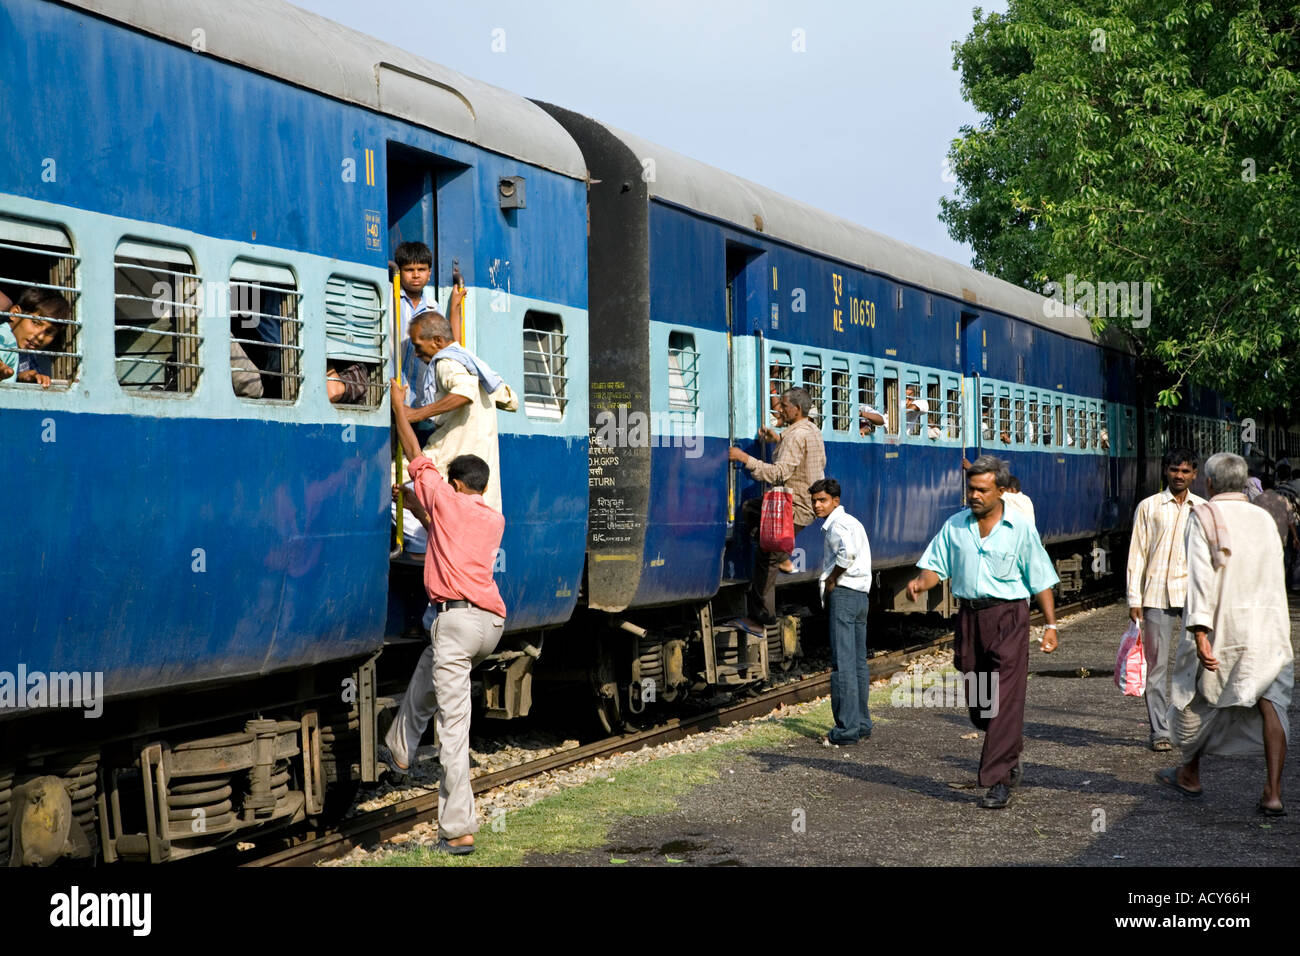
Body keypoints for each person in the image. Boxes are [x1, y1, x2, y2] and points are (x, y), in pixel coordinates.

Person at [382, 380, 506, 854]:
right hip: (489, 626)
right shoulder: (491, 518)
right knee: (430, 667)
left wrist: (400, 409)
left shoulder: (446, 496)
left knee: (454, 731)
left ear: (454, 484)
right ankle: (399, 744)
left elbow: (415, 454)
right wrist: (416, 505)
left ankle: (459, 830)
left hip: (455, 621)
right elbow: (448, 533)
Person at [906, 455, 1059, 809]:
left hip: (1009, 617)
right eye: (970, 489)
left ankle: (998, 780)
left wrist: (1050, 626)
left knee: (1006, 699)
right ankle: (1010, 751)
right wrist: (921, 583)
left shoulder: (1020, 527)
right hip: (970, 619)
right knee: (981, 704)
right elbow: (935, 566)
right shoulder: (955, 526)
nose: (973, 495)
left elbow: (1041, 577)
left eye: (981, 490)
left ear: (1001, 491)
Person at [1159, 453, 1293, 816]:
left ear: (1210, 483)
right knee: (1272, 703)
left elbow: (1201, 581)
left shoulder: (1203, 516)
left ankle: (1190, 773)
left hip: (1224, 625)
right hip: (1270, 627)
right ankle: (1274, 792)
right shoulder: (1264, 519)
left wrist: (1200, 634)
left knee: (1201, 701)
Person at [1125, 447, 1205, 752]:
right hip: (1156, 595)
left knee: (1193, 664)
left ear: (1194, 474)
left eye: (1185, 471)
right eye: (1174, 470)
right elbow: (1137, 553)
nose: (1179, 475)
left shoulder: (1202, 509)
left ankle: (1182, 723)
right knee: (1156, 666)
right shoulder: (1149, 507)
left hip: (1192, 597)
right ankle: (1159, 730)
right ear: (1166, 471)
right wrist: (1135, 598)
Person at [728, 386, 826, 624]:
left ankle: (763, 617)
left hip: (793, 507)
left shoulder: (795, 436)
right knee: (752, 509)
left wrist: (746, 459)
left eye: (783, 406)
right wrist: (778, 439)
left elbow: (779, 473)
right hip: (804, 504)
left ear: (797, 409)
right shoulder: (812, 429)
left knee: (766, 558)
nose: (779, 409)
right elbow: (799, 450)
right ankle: (781, 552)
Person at [400, 312, 513, 513]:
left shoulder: (445, 362)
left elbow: (464, 393)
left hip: (452, 455)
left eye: (418, 346)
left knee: (391, 479)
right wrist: (455, 307)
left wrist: (415, 414)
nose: (417, 354)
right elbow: (510, 400)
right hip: (479, 473)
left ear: (436, 341)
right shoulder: (471, 363)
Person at [810, 478, 873, 745]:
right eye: (814, 500)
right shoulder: (853, 522)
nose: (816, 505)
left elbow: (847, 555)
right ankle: (861, 723)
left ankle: (846, 730)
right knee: (858, 662)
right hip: (861, 595)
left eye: (822, 500)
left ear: (836, 500)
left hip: (845, 594)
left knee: (843, 664)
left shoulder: (838, 525)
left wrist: (833, 579)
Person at [2, 288, 69, 385]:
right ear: (15, 313)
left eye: (49, 332)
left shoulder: (27, 350)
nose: (40, 337)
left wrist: (29, 378)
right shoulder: (3, 336)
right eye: (35, 323)